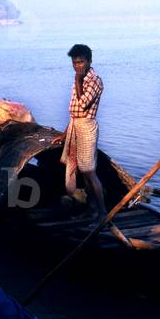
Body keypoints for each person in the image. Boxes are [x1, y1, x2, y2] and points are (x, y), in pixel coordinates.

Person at [52, 45, 105, 223]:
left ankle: (102, 213)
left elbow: (83, 105)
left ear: (89, 61)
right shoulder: (79, 79)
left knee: (89, 171)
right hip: (76, 125)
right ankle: (91, 210)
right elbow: (74, 112)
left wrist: (77, 80)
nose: (77, 66)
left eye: (81, 62)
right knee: (81, 172)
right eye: (74, 63)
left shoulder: (94, 80)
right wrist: (66, 133)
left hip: (87, 126)